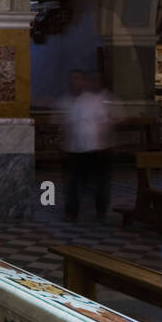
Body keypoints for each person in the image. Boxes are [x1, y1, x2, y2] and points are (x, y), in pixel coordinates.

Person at [58, 70, 114, 222]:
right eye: (72, 79)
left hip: (94, 148)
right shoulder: (65, 101)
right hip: (73, 149)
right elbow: (64, 125)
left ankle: (100, 211)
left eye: (77, 79)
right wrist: (63, 144)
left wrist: (104, 142)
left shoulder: (93, 100)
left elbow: (104, 122)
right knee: (72, 183)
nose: (74, 82)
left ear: (83, 82)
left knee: (98, 183)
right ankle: (71, 212)